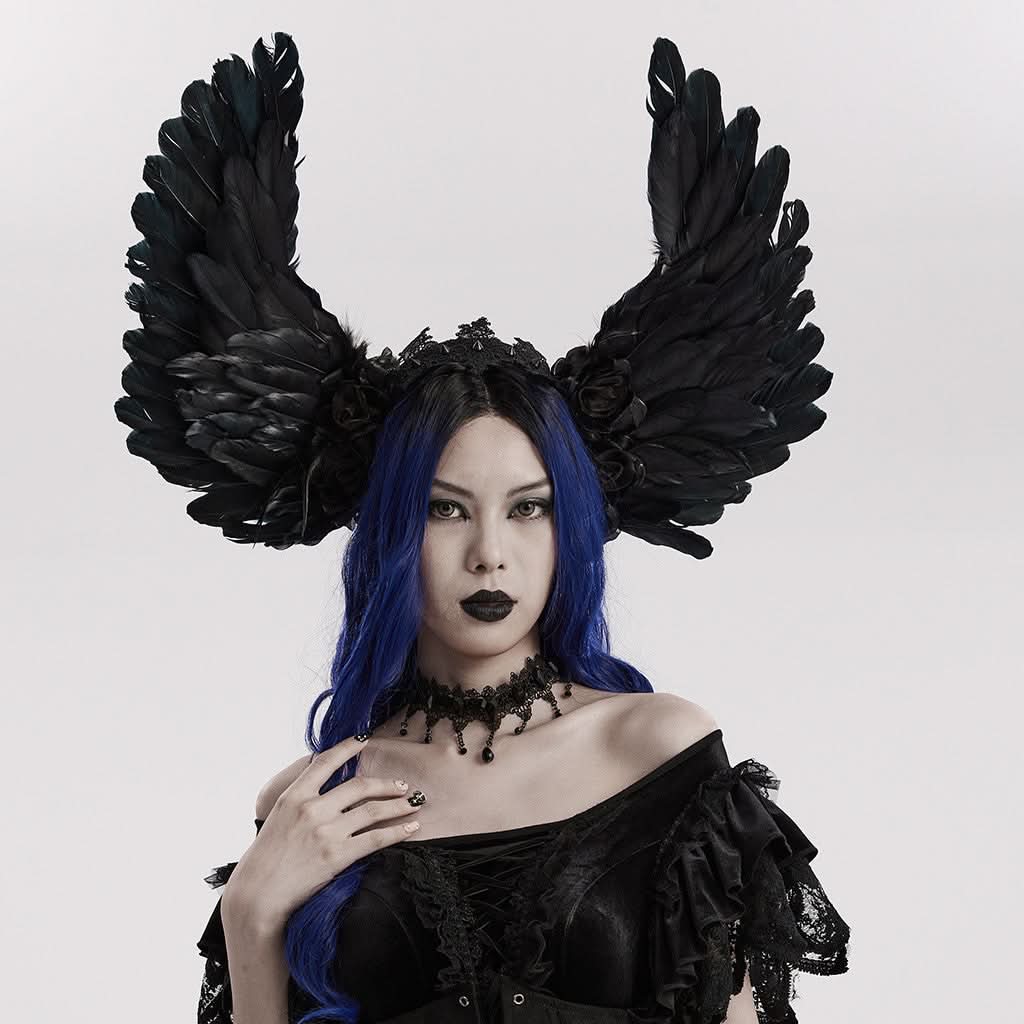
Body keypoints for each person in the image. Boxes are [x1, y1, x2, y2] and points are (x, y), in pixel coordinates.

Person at [115, 31, 851, 1024]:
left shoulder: (658, 751)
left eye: (528, 508)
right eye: (444, 508)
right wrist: (251, 923)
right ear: (390, 531)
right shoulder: (315, 801)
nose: (490, 553)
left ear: (569, 527)